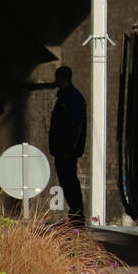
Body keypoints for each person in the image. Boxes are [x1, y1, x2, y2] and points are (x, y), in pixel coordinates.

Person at [49, 65, 87, 227]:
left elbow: (75, 125)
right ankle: (75, 212)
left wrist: (70, 148)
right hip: (62, 149)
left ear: (63, 78)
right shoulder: (66, 97)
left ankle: (77, 213)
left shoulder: (72, 98)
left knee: (70, 180)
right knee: (66, 180)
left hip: (67, 150)